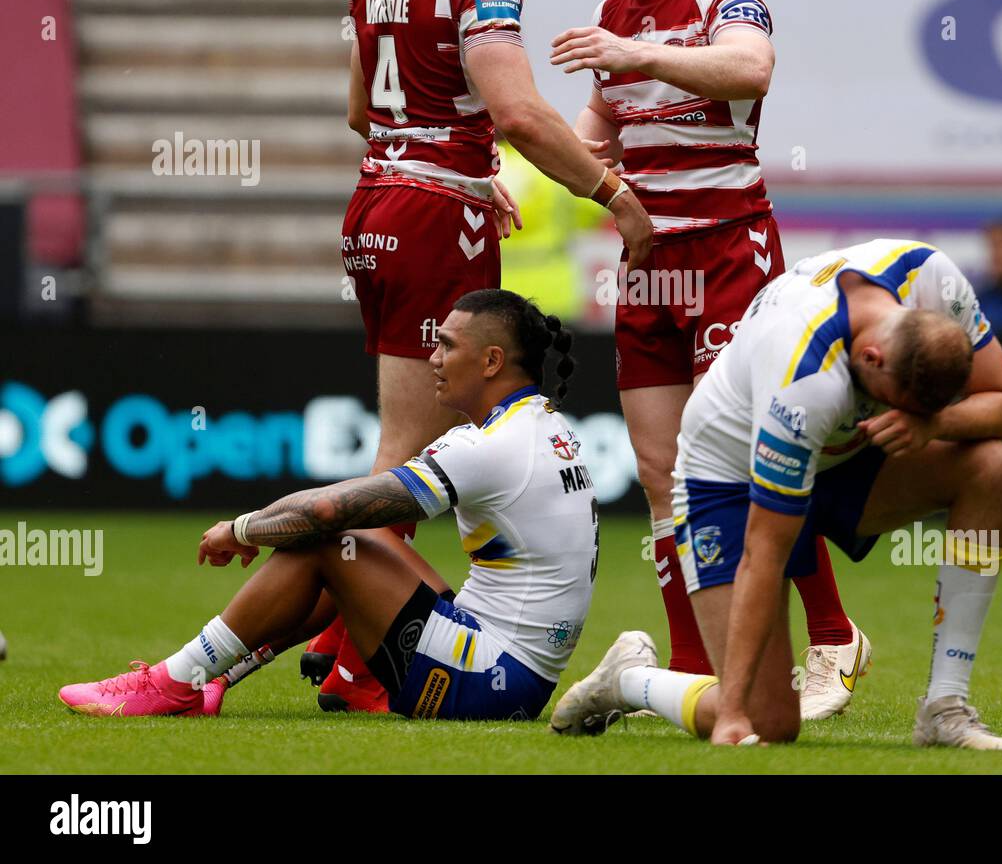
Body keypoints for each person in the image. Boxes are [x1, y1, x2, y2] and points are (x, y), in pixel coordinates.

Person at [308, 0, 651, 710]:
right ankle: (342, 653)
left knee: (400, 444)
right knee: (403, 458)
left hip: (375, 207)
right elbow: (524, 116)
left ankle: (343, 642)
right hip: (431, 219)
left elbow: (360, 112)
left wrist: (463, 169)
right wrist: (613, 194)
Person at [549, 0, 868, 721]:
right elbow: (595, 135)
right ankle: (699, 666)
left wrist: (638, 52)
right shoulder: (616, 6)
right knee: (663, 470)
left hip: (729, 253)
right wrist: (512, 154)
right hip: (649, 264)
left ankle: (834, 634)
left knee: (745, 459)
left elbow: (749, 69)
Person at [551, 239, 1002, 750]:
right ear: (870, 357)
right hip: (727, 482)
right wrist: (732, 712)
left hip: (843, 457)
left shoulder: (931, 278)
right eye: (886, 402)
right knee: (768, 723)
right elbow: (765, 551)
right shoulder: (805, 376)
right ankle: (630, 679)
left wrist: (934, 423)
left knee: (993, 467)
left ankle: (944, 707)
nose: (888, 412)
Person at [59, 291, 600, 723]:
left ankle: (174, 683)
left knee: (331, 539)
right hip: (517, 675)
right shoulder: (546, 427)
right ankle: (215, 679)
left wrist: (242, 530)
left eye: (447, 346)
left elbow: (326, 514)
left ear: (491, 361)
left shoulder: (489, 445)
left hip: (485, 684)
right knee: (371, 538)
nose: (432, 359)